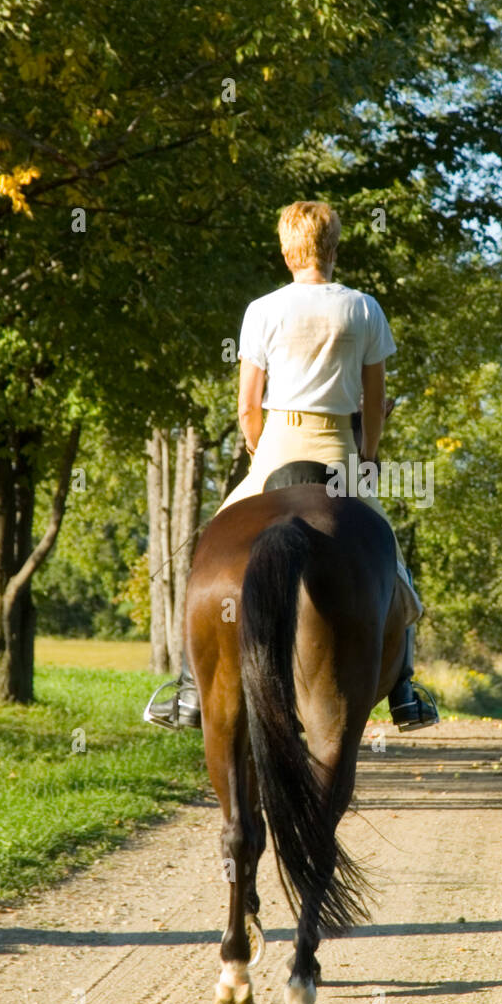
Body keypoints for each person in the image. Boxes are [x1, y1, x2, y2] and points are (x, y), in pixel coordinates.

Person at [145, 200, 439, 733]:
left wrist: (262, 455)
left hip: (278, 444)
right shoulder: (365, 308)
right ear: (334, 246)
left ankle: (191, 688)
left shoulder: (262, 309)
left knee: (212, 546)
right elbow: (375, 403)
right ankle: (405, 689)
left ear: (287, 250)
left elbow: (247, 407)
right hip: (338, 453)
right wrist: (367, 457)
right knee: (389, 552)